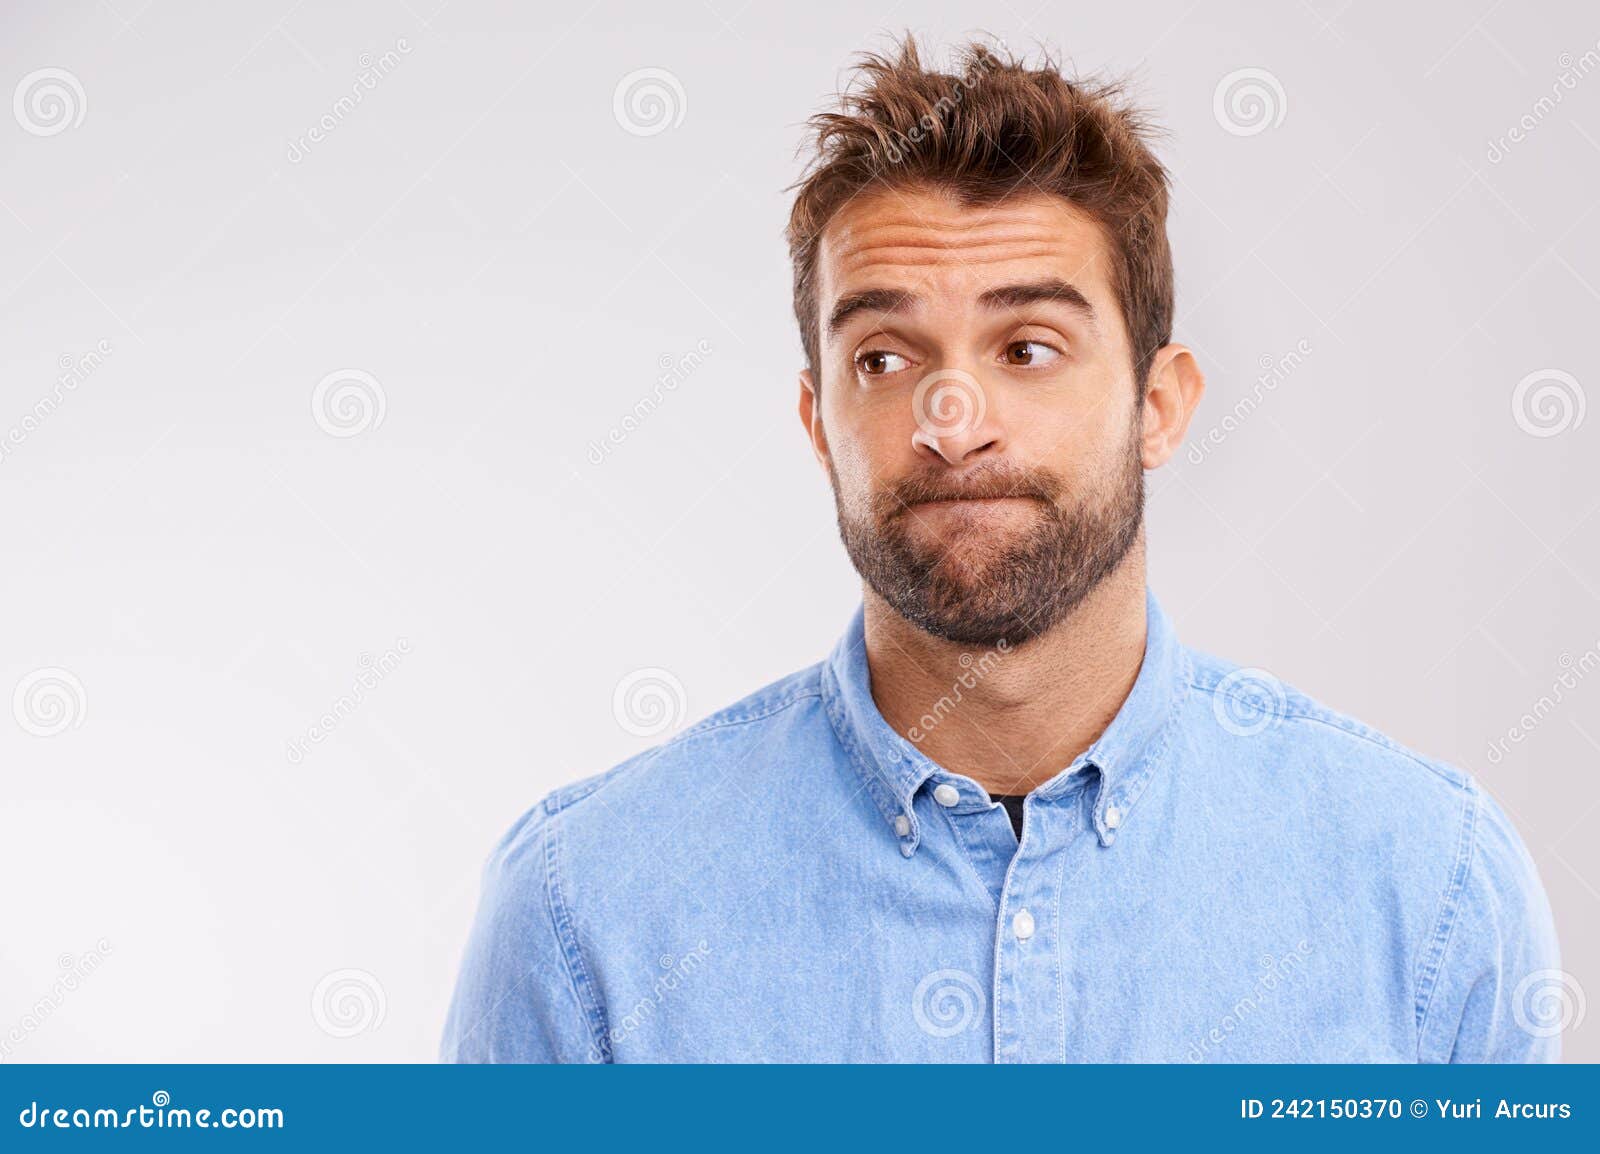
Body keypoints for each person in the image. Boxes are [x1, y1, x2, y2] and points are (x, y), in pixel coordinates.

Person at [442, 36, 1559, 1063]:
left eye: (1028, 346)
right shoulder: (583, 904)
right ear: (816, 423)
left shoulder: (1427, 880)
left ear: (1158, 406)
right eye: (881, 357)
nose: (952, 416)